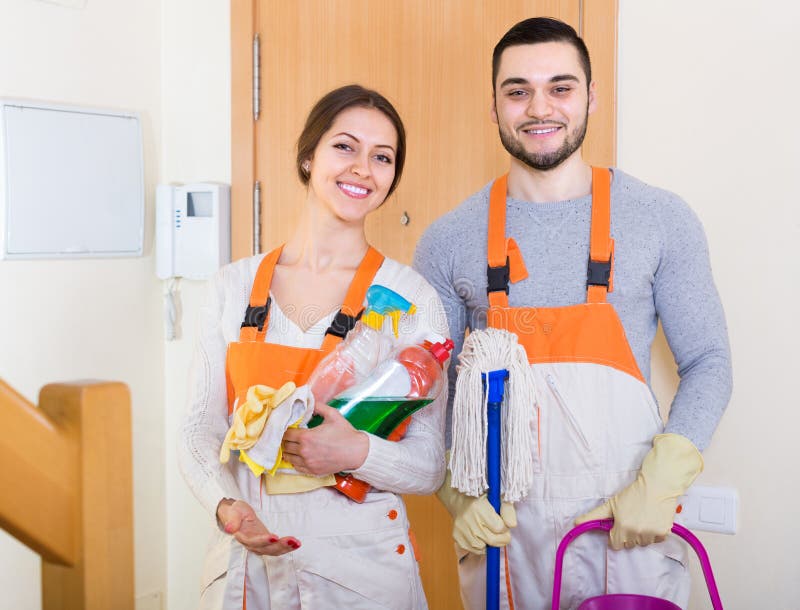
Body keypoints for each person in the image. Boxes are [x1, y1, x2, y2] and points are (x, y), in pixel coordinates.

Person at [413, 17, 732, 610]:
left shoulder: (660, 219)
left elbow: (709, 361)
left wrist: (660, 483)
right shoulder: (447, 241)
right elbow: (429, 389)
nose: (540, 107)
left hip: (625, 527)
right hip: (505, 543)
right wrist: (454, 496)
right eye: (517, 91)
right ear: (494, 106)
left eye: (561, 87)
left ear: (590, 97)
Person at [179, 84, 448, 610]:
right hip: (245, 571)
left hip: (363, 574)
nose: (362, 169)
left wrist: (356, 450)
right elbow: (198, 430)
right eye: (344, 146)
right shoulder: (232, 288)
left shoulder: (411, 300)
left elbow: (429, 463)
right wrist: (227, 505)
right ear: (308, 156)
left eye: (382, 157)